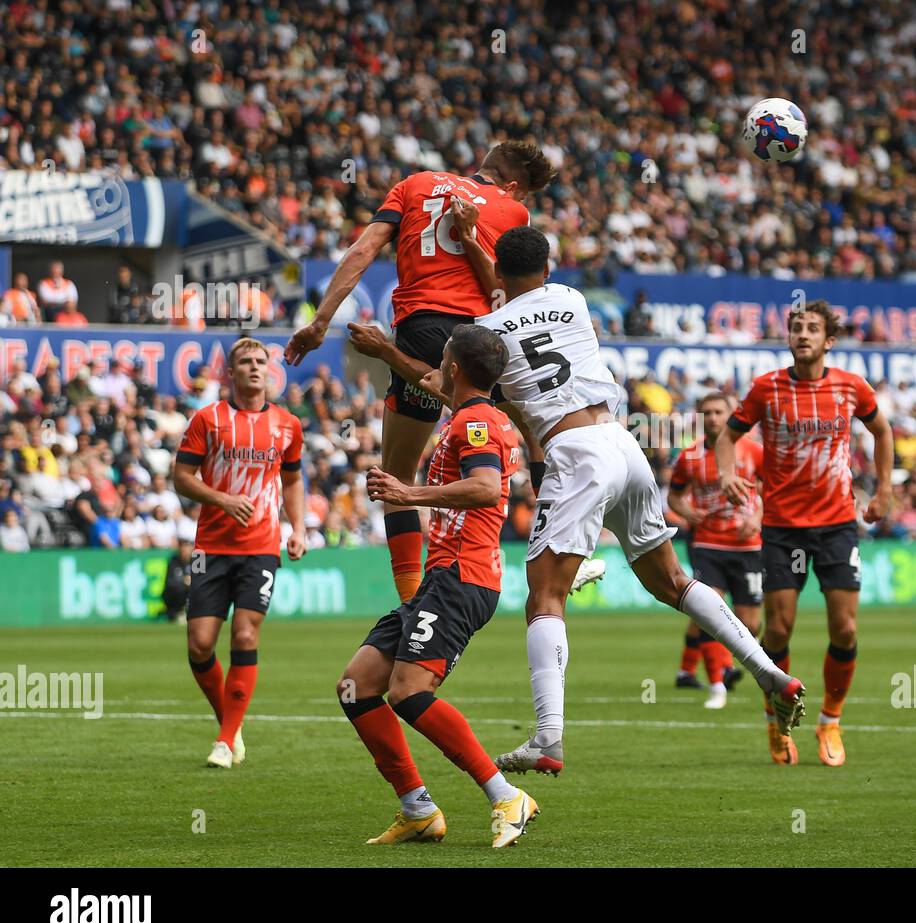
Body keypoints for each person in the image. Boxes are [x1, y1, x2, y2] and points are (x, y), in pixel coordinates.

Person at [437, 226, 806, 776]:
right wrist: (481, 249)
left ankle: (547, 738)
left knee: (544, 598)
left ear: (495, 269)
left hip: (575, 452)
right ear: (548, 267)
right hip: (622, 443)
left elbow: (447, 382)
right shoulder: (571, 299)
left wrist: (386, 351)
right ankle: (767, 671)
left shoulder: (484, 335)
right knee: (674, 583)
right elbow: (520, 291)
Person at [284, 141, 557, 605]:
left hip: (421, 328)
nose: (522, 202)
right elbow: (507, 294)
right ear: (514, 186)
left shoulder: (414, 184)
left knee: (397, 479)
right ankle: (555, 555)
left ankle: (411, 601)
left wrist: (319, 322)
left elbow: (363, 249)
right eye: (525, 194)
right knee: (538, 435)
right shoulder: (512, 211)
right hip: (483, 338)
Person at [338, 323, 539, 848]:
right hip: (442, 579)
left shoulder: (476, 424)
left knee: (408, 690)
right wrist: (385, 352)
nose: (436, 367)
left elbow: (485, 487)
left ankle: (505, 796)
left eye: (443, 358)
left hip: (462, 577)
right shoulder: (469, 411)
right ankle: (418, 809)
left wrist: (407, 493)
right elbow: (424, 378)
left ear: (453, 367)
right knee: (357, 685)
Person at [714, 300, 895, 767]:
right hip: (783, 528)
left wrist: (884, 492)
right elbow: (727, 437)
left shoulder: (851, 387)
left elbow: (883, 431)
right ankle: (777, 720)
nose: (802, 334)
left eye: (812, 328)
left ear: (829, 341)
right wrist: (728, 474)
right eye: (796, 327)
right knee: (777, 628)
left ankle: (830, 721)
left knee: (846, 627)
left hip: (836, 523)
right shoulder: (766, 388)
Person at [172, 337, 308, 769]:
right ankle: (230, 722)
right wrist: (221, 499)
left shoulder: (288, 425)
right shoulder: (208, 419)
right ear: (229, 373)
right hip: (208, 547)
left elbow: (291, 481)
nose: (253, 367)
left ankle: (225, 739)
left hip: (261, 547)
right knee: (199, 644)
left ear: (269, 370)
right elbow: (181, 477)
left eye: (260, 361)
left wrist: (299, 527)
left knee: (246, 636)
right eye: (244, 362)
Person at [666, 393, 759, 708]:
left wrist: (758, 517)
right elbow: (675, 496)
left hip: (748, 545)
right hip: (707, 543)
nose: (714, 418)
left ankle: (726, 665)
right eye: (707, 413)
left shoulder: (753, 451)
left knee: (751, 623)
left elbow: (773, 490)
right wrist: (686, 513)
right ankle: (717, 684)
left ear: (732, 414)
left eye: (719, 412)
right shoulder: (689, 457)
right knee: (710, 612)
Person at [163, 540, 194, 622]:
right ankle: (178, 613)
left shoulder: (197, 560)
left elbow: (202, 579)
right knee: (177, 589)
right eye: (182, 546)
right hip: (176, 595)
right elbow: (169, 582)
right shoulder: (173, 561)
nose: (184, 549)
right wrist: (184, 581)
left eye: (187, 546)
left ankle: (192, 613)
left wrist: (193, 580)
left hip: (192, 594)